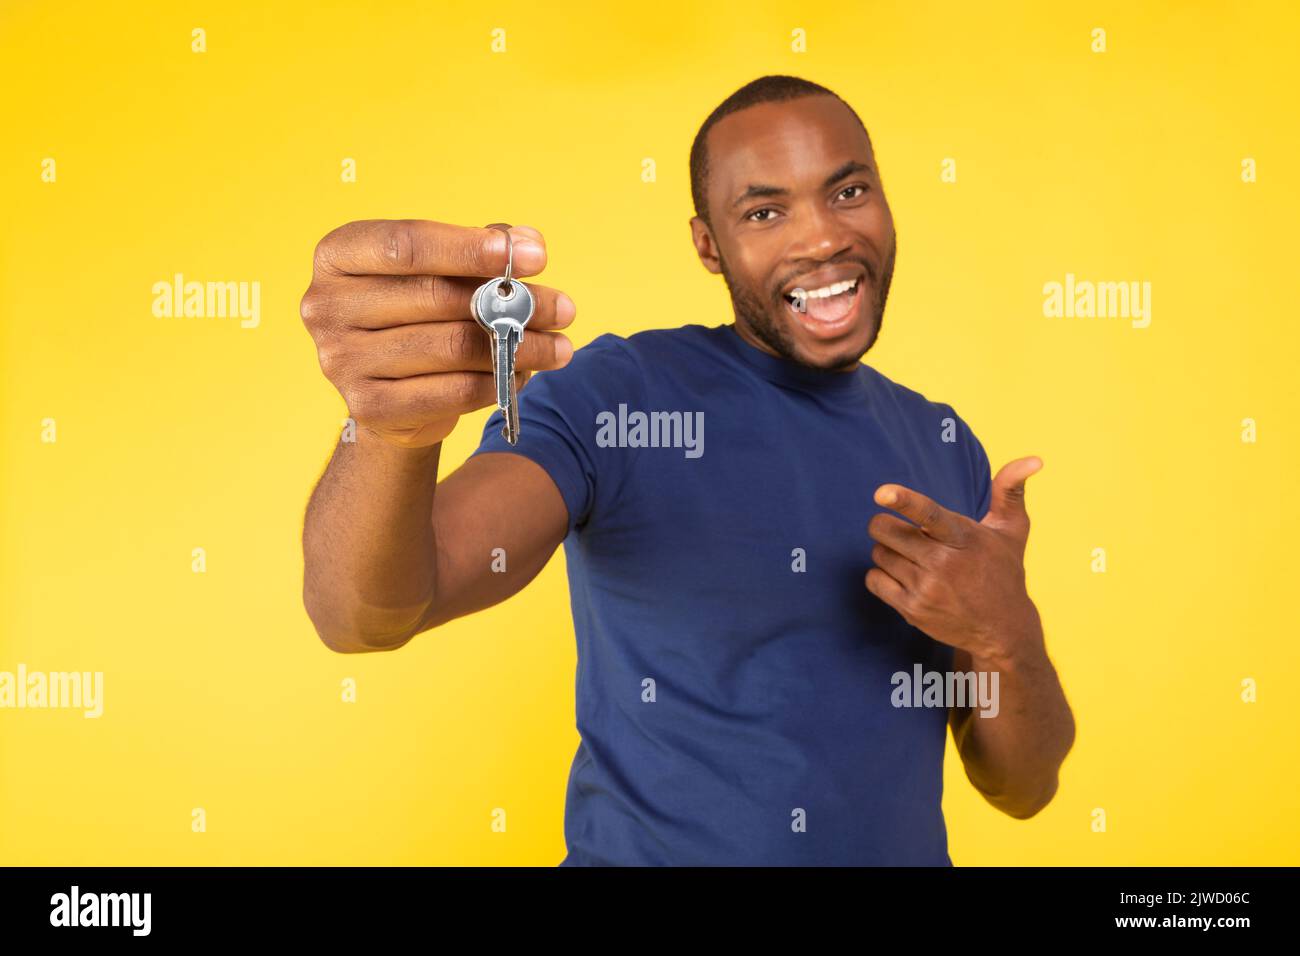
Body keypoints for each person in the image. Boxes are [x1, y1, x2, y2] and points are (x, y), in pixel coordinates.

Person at [299, 74, 1075, 866]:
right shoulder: (616, 397)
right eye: (765, 212)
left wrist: (1006, 632)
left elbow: (1023, 787)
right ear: (709, 244)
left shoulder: (945, 442)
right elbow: (365, 615)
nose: (821, 239)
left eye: (847, 191)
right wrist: (390, 435)